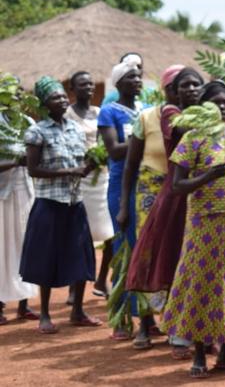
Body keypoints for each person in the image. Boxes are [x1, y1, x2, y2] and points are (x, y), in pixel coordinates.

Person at [161, 80, 225, 378]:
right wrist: (207, 176)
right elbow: (177, 186)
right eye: (217, 102)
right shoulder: (192, 139)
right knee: (200, 285)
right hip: (203, 223)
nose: (224, 106)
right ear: (205, 107)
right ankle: (200, 354)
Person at [126, 67, 205, 358]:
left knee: (190, 260)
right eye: (184, 85)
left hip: (200, 195)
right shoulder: (168, 114)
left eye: (197, 85)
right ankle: (158, 325)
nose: (190, 90)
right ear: (170, 90)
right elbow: (133, 163)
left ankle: (189, 326)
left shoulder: (204, 114)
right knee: (165, 257)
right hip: (171, 195)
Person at [19, 77, 100, 334]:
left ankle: (77, 311)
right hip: (50, 203)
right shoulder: (37, 131)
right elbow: (33, 170)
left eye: (63, 97)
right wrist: (69, 171)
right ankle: (44, 313)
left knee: (80, 255)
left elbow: (82, 163)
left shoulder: (75, 129)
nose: (63, 100)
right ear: (45, 103)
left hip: (74, 202)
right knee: (46, 257)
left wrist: (90, 165)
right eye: (56, 97)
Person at [118, 64, 187, 349]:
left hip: (182, 192)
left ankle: (175, 321)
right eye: (173, 87)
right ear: (166, 89)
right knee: (148, 252)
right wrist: (123, 206)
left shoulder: (193, 118)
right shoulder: (146, 117)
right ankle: (146, 323)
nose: (177, 93)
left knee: (177, 253)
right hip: (149, 191)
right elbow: (130, 165)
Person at [97, 60, 143, 340]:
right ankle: (121, 317)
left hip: (147, 185)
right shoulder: (109, 112)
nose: (137, 81)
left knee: (145, 248)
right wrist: (142, 137)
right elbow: (114, 151)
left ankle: (146, 315)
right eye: (131, 77)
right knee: (125, 249)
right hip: (122, 187)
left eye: (139, 77)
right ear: (118, 83)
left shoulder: (146, 111)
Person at [65, 71, 115, 300]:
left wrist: (102, 156)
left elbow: (107, 141)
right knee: (79, 235)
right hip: (79, 179)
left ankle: (102, 279)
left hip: (103, 177)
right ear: (72, 89)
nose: (89, 88)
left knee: (110, 234)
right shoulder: (67, 115)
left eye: (90, 84)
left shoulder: (99, 113)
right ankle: (75, 288)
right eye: (82, 84)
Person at [0, 95, 38, 326]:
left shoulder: (27, 123)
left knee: (26, 243)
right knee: (2, 247)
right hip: (2, 194)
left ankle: (25, 303)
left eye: (17, 95)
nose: (14, 100)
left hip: (25, 191)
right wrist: (16, 162)